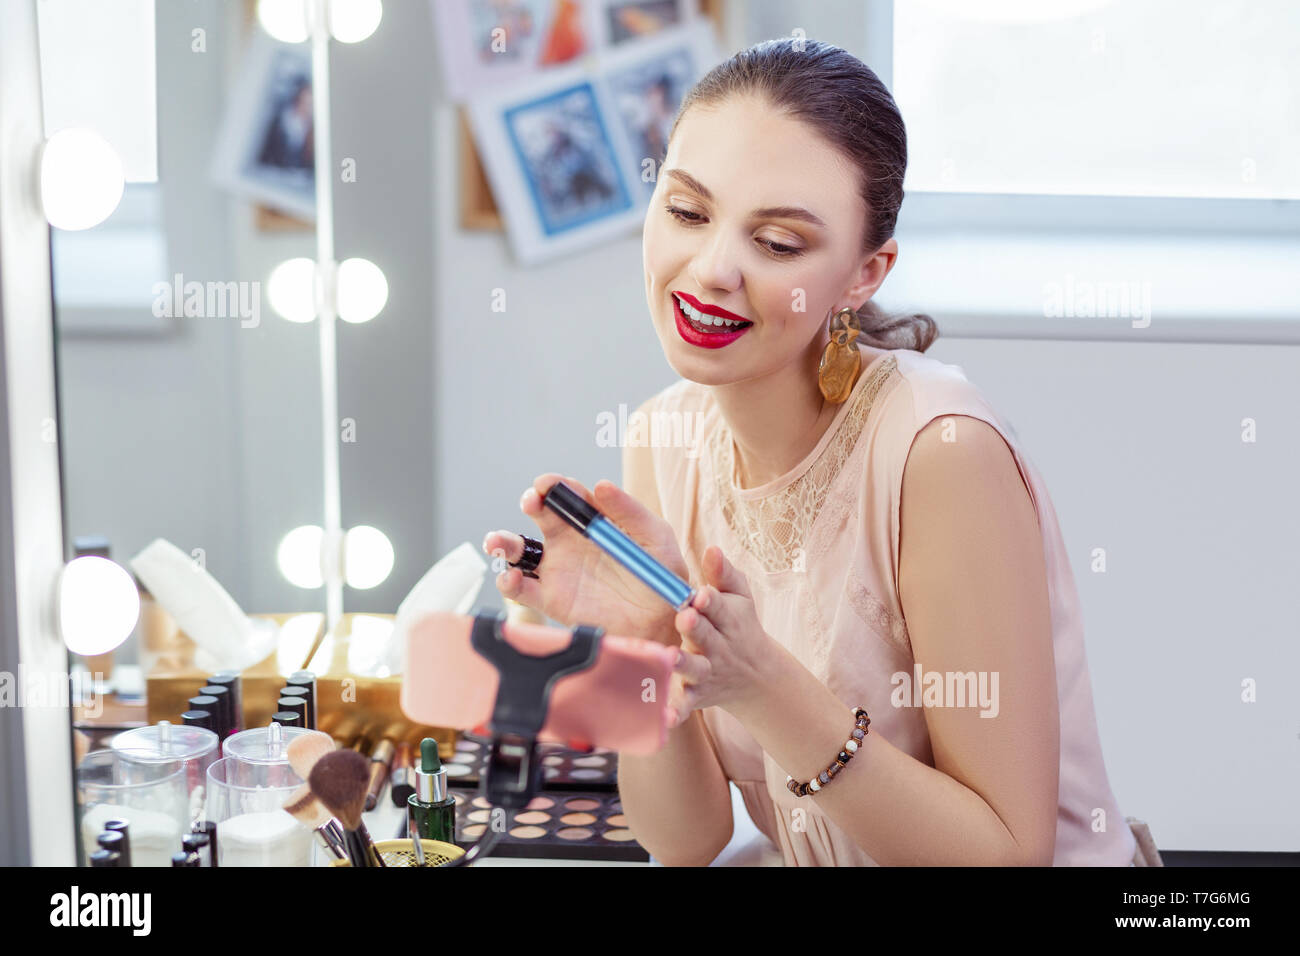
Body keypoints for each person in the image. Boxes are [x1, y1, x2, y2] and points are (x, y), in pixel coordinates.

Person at [483, 38, 1138, 866]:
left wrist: (763, 686)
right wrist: (645, 646)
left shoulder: (940, 456)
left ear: (864, 274)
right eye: (687, 212)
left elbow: (1005, 856)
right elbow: (685, 840)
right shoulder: (662, 436)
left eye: (779, 244)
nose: (712, 268)